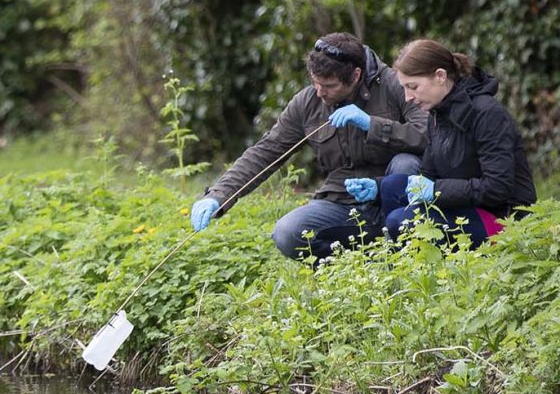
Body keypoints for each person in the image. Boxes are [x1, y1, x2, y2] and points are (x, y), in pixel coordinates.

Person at [190, 32, 428, 259]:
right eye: (316, 83)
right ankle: (357, 272)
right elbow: (266, 152)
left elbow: (428, 134)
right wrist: (219, 196)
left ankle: (406, 255)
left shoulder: (396, 85)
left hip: (394, 196)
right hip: (343, 201)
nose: (320, 92)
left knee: (405, 163)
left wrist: (372, 125)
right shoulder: (307, 103)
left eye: (329, 86)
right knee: (288, 232)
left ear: (355, 76)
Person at [372, 38, 534, 246]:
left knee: (399, 221)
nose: (407, 98)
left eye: (413, 87)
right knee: (391, 186)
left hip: (502, 217)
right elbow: (428, 175)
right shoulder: (437, 113)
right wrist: (377, 185)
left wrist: (436, 190)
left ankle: (413, 263)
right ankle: (405, 258)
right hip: (463, 204)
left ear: (440, 76)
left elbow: (497, 187)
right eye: (404, 88)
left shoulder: (487, 113)